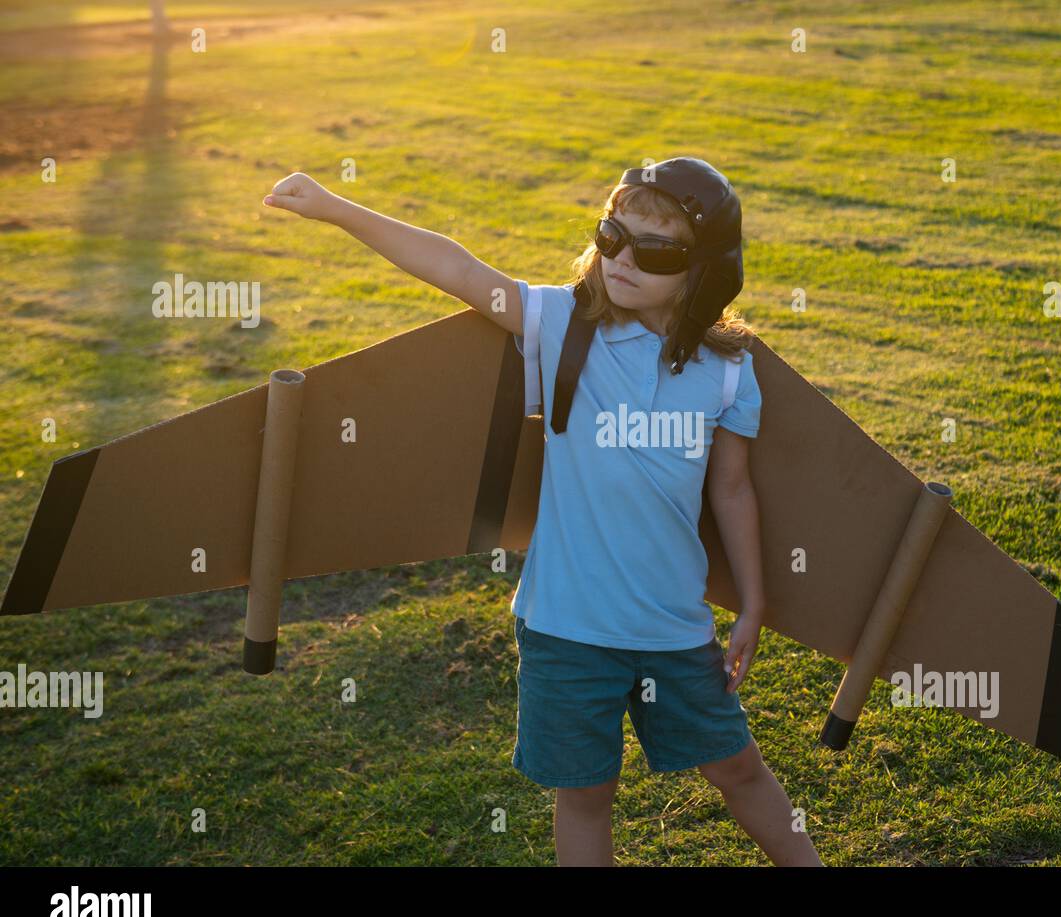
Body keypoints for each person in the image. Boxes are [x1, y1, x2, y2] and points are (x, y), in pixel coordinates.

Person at [263, 159, 822, 867]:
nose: (623, 260)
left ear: (703, 273)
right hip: (567, 629)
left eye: (654, 251)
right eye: (613, 235)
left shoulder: (728, 372)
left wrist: (754, 601)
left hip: (674, 629)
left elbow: (732, 491)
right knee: (586, 796)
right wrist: (336, 207)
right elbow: (458, 269)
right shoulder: (564, 325)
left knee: (738, 769)